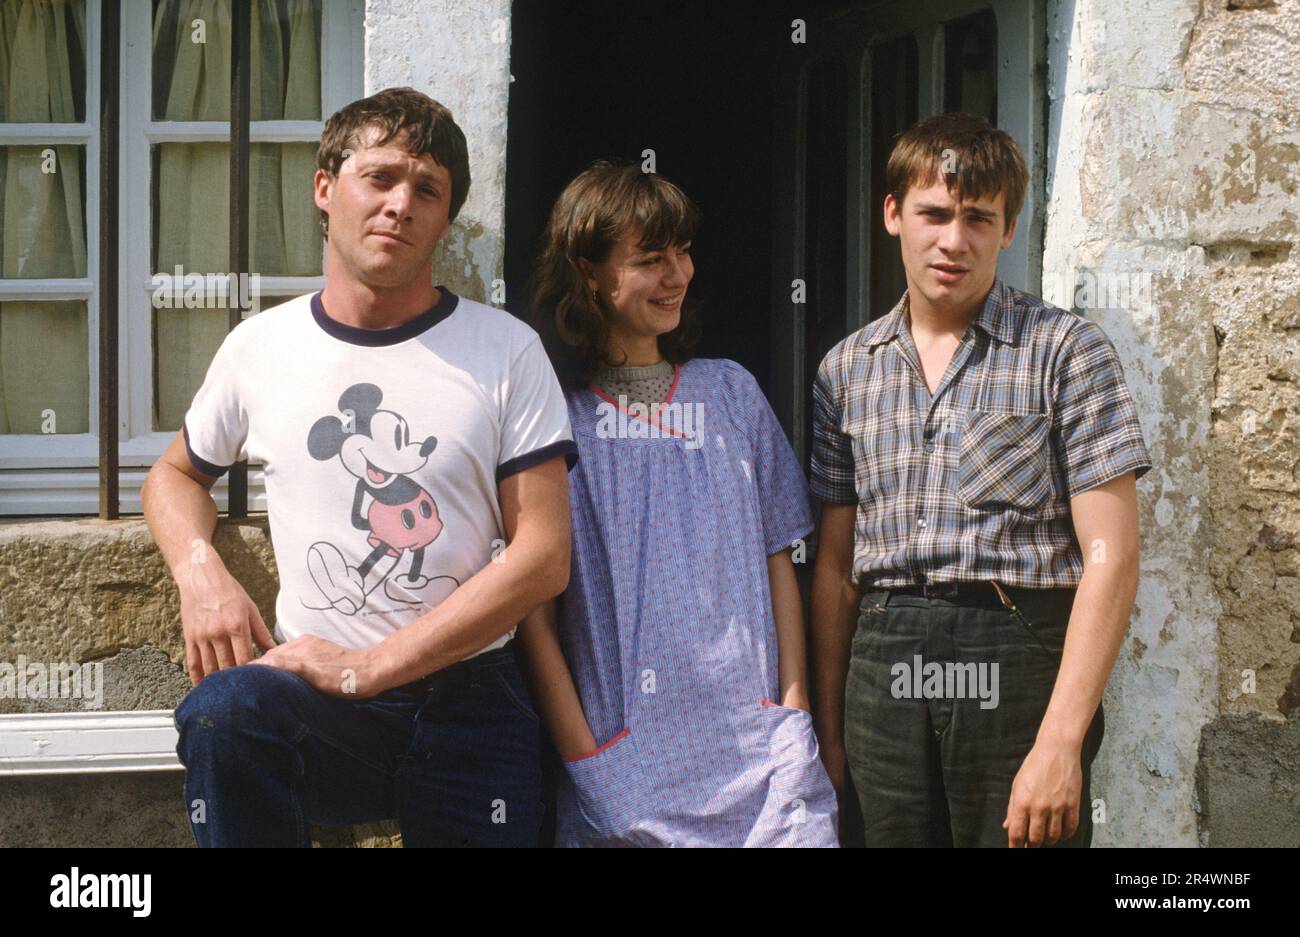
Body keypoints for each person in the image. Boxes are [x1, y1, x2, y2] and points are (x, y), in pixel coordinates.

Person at [142, 87, 576, 847]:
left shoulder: (506, 350)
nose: (400, 204)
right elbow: (174, 475)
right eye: (379, 177)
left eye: (428, 189)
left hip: (473, 701)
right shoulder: (262, 347)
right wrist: (199, 570)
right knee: (225, 712)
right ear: (325, 187)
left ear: (445, 218)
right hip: (321, 708)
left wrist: (370, 665)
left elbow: (542, 556)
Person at [810, 112, 1151, 848]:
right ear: (894, 214)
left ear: (1010, 227)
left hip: (1014, 648)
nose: (953, 240)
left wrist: (1061, 741)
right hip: (885, 656)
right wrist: (829, 730)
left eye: (978, 217)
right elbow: (836, 567)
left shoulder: (1065, 352)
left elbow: (1112, 557)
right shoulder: (845, 370)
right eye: (933, 213)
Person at [519, 160, 838, 847]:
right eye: (651, 259)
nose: (679, 275)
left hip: (763, 761)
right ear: (589, 272)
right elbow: (534, 618)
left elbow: (781, 560)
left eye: (684, 252)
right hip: (626, 768)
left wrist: (793, 710)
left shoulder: (730, 394)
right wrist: (586, 759)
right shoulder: (553, 424)